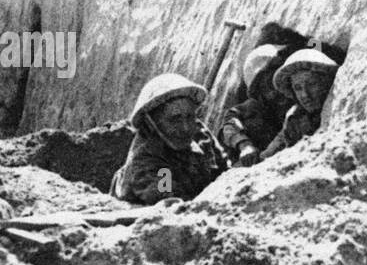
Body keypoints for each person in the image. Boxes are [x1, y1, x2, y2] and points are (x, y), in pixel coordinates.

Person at [110, 73, 227, 204]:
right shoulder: (148, 158)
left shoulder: (200, 134)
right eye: (174, 119)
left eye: (189, 117)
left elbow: (225, 171)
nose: (186, 128)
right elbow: (168, 200)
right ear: (153, 123)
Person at [218, 42, 294, 167]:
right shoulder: (251, 108)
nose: (276, 90)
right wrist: (244, 145)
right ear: (258, 91)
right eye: (267, 85)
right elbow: (229, 126)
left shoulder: (299, 96)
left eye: (277, 79)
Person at [258, 49, 339, 160]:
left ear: (325, 81)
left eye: (311, 84)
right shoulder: (294, 117)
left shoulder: (339, 105)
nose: (305, 95)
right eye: (298, 88)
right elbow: (271, 151)